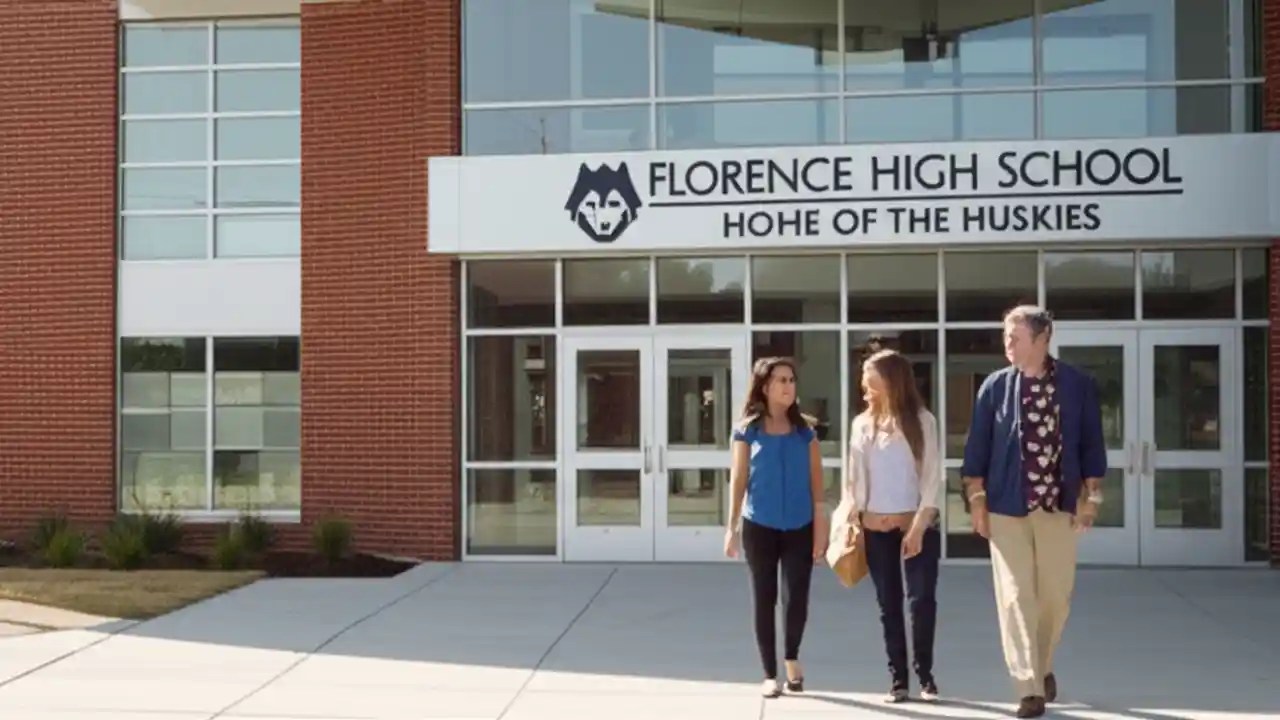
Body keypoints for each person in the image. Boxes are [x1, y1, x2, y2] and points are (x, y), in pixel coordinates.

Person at [961, 305, 1106, 719]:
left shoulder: (1077, 385)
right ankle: (1028, 687)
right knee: (1015, 597)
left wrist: (1091, 502)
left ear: (1043, 340)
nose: (1007, 344)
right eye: (1006, 337)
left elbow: (1092, 445)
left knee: (1055, 598)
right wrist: (976, 501)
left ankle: (1043, 667)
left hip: (1058, 506)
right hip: (1007, 507)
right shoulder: (994, 388)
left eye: (1016, 337)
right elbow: (977, 450)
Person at [837, 348, 942, 704]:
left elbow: (931, 479)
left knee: (922, 600)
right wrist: (860, 513)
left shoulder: (923, 421)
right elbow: (853, 480)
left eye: (872, 385)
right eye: (864, 385)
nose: (865, 392)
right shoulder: (861, 425)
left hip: (918, 526)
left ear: (893, 384)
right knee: (889, 603)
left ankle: (925, 674)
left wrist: (916, 527)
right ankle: (898, 680)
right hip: (876, 528)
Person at [725, 356, 827, 698]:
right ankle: (769, 673)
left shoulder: (806, 433)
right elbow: (738, 480)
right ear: (765, 387)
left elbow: (817, 487)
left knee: (796, 597)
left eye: (791, 380)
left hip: (800, 525)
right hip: (759, 525)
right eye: (781, 380)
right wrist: (731, 527)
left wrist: (821, 531)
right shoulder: (747, 430)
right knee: (764, 598)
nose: (788, 386)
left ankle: (792, 658)